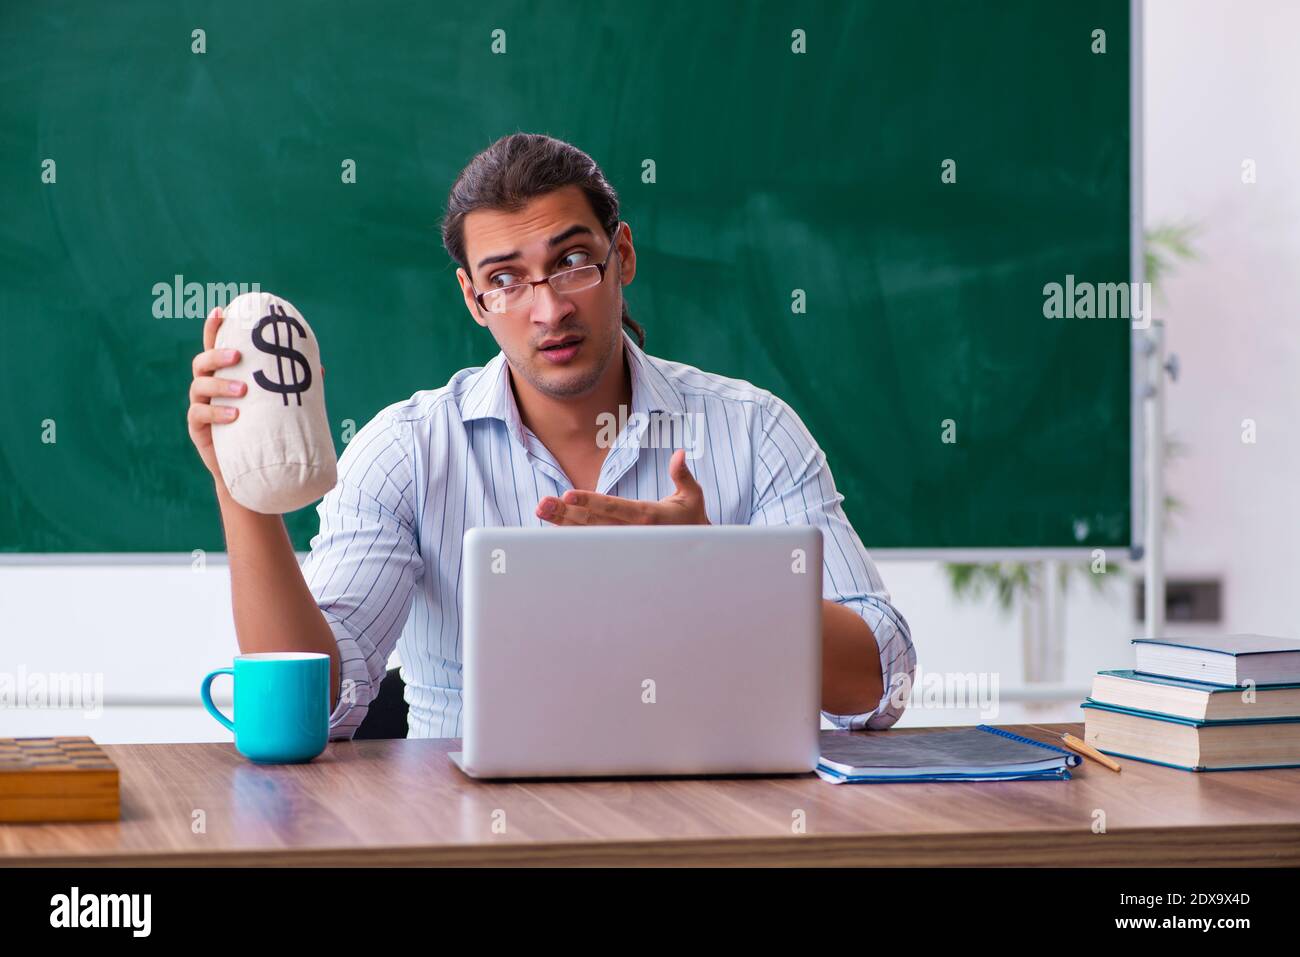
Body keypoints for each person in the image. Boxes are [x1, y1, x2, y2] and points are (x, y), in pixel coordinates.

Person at [186, 132, 916, 740]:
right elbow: (312, 705)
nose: (547, 309)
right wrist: (240, 486)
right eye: (506, 278)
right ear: (473, 299)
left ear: (621, 255)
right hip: (477, 837)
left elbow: (880, 680)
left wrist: (717, 576)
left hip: (712, 828)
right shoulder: (407, 451)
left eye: (571, 263)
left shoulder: (755, 432)